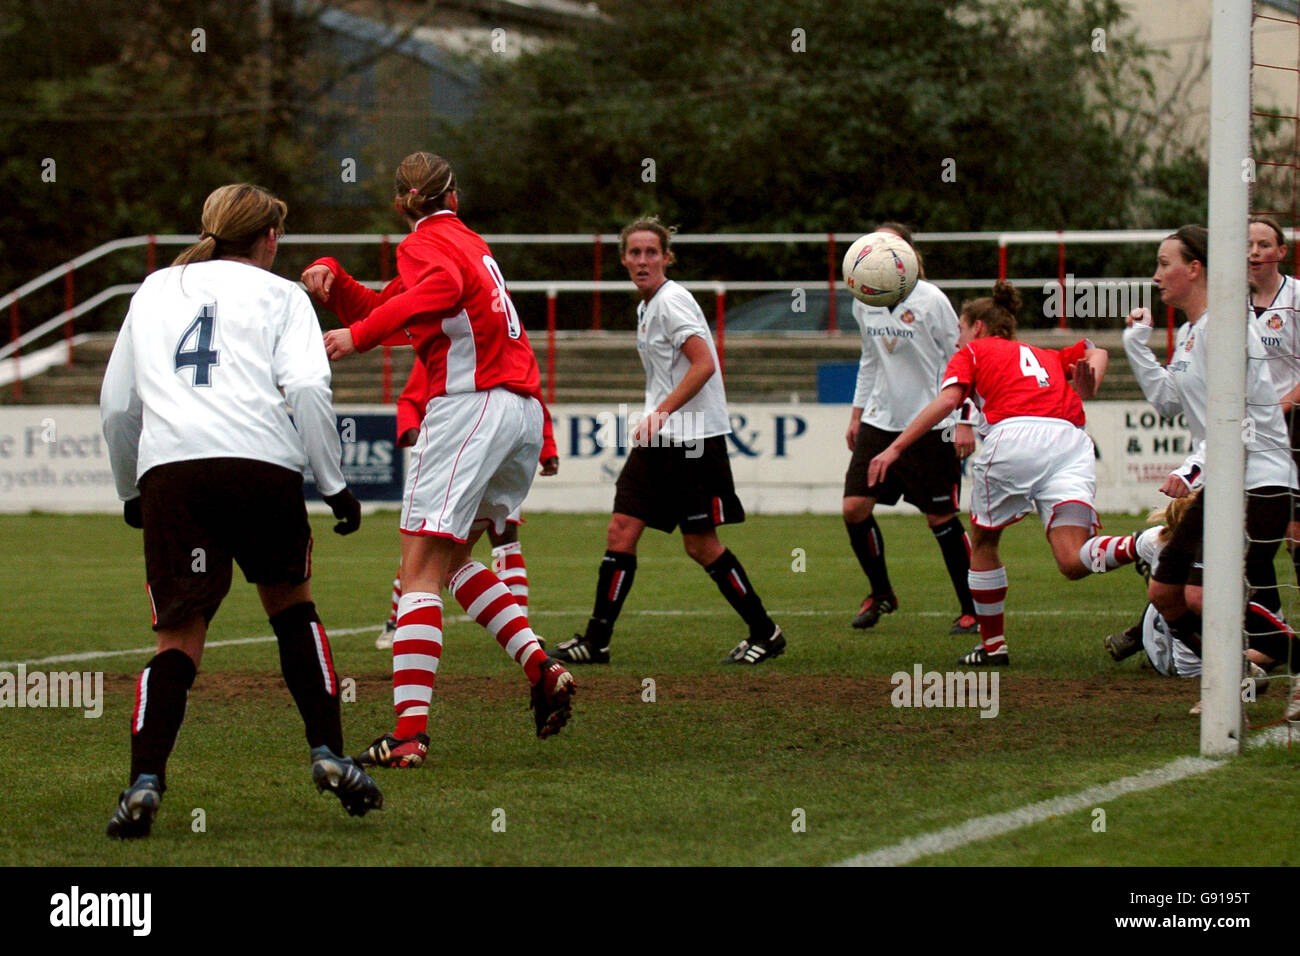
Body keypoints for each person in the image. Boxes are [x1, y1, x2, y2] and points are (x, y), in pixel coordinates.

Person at [99, 183, 381, 838]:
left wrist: (130, 492)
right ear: (270, 238)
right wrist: (334, 484)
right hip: (262, 469)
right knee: (292, 609)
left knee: (179, 638)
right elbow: (308, 388)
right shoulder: (284, 296)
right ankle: (329, 754)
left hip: (173, 473)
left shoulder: (153, 290)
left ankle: (144, 781)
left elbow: (118, 408)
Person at [314, 151, 573, 769]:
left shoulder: (427, 247)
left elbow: (432, 294)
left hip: (470, 407)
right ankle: (542, 668)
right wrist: (332, 277)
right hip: (518, 411)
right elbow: (390, 306)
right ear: (453, 195)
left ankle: (408, 736)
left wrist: (358, 337)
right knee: (453, 559)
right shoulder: (464, 241)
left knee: (418, 567)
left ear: (401, 203)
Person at [552, 217, 786, 666]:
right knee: (621, 530)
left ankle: (766, 632)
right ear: (623, 259)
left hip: (693, 442)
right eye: (635, 253)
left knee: (700, 544)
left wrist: (659, 413)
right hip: (661, 441)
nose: (643, 260)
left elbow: (703, 365)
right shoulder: (648, 307)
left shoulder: (672, 302)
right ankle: (596, 641)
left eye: (651, 253)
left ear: (666, 257)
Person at [868, 280, 1138, 666]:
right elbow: (1098, 350)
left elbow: (948, 400)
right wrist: (1090, 379)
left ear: (977, 327)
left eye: (961, 330)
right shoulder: (1042, 353)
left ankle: (993, 646)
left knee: (984, 541)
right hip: (1071, 442)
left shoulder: (973, 352)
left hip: (1013, 439)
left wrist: (895, 447)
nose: (958, 339)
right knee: (1073, 561)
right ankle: (1146, 544)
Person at [1122, 225, 1296, 662]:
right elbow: (1165, 401)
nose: (1156, 275)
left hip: (1261, 477)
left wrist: (1188, 471)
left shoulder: (1225, 328)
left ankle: (1246, 666)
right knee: (1166, 592)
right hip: (1223, 478)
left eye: (1165, 264)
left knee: (1212, 593)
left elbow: (1231, 421)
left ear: (1194, 268)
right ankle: (1234, 672)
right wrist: (1136, 347)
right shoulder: (1190, 333)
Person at [841, 222, 979, 634]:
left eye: (892, 244)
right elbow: (869, 357)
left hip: (931, 423)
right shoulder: (863, 297)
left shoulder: (932, 300)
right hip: (879, 420)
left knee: (940, 516)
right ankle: (881, 592)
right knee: (854, 507)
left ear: (909, 255)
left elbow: (963, 359)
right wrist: (857, 411)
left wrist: (963, 421)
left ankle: (973, 608)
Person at [371, 363, 560, 650]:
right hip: (453, 456)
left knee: (505, 539)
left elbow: (532, 394)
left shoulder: (508, 343)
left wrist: (547, 448)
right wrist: (415, 433)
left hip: (500, 445)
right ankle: (397, 622)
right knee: (428, 539)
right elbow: (410, 398)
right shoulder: (445, 344)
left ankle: (522, 628)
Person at [1247, 216, 1300, 589]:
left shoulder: (1296, 297)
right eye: (1247, 244)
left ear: (1281, 252)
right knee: (1249, 537)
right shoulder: (1231, 299)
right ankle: (1266, 632)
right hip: (1251, 431)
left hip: (1293, 423)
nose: (1254, 252)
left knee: (1295, 534)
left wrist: (1278, 406)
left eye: (1264, 244)